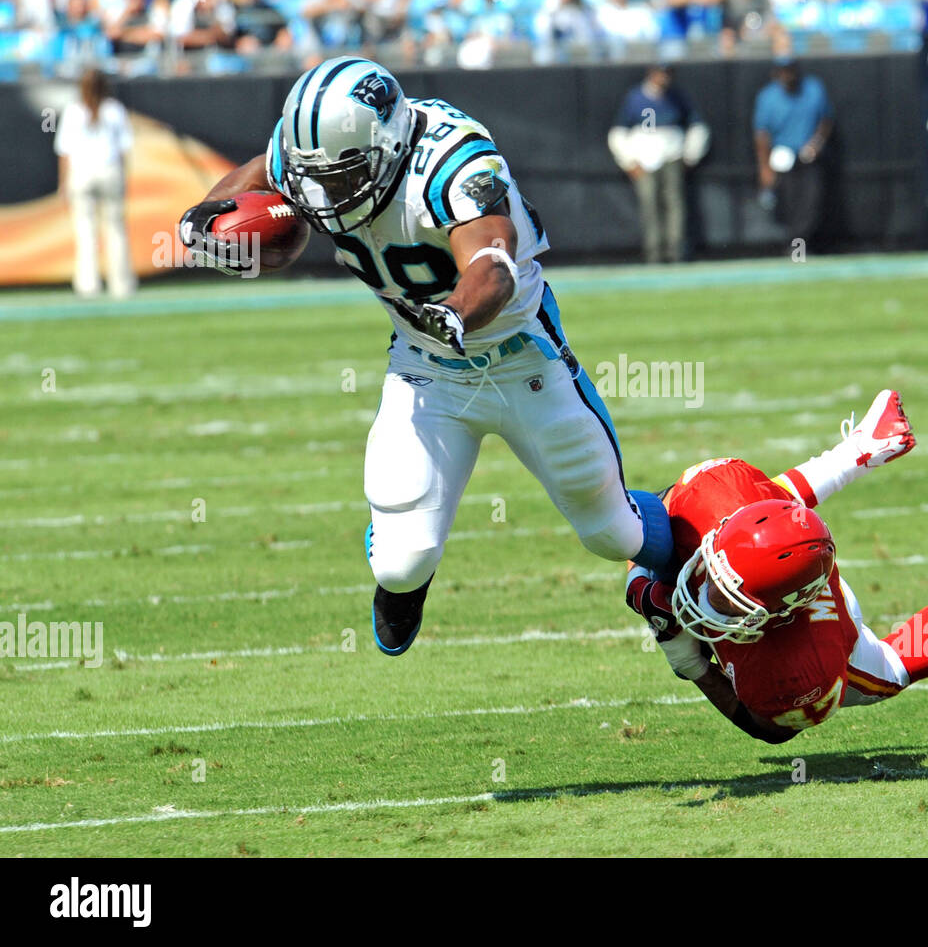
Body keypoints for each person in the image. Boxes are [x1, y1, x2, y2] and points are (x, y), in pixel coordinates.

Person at [177, 58, 674, 657]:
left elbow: (493, 268)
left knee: (611, 532)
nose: (319, 194)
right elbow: (270, 169)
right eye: (316, 175)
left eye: (340, 176)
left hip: (522, 360)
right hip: (425, 367)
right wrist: (206, 212)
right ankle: (404, 566)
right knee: (400, 564)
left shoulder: (454, 164)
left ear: (385, 148)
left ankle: (696, 529)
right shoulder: (325, 154)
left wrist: (454, 316)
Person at [624, 389, 928, 741]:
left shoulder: (798, 664)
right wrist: (644, 574)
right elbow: (643, 528)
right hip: (768, 543)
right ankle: (864, 448)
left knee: (890, 671)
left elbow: (771, 732)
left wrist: (691, 664)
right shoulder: (718, 491)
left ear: (774, 612)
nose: (705, 593)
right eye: (714, 575)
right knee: (746, 508)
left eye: (727, 597)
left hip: (820, 639)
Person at [607, 64, 711, 263]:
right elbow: (618, 132)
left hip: (671, 157)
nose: (664, 78)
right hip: (644, 160)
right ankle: (654, 252)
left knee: (675, 204)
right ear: (651, 73)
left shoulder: (677, 97)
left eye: (668, 73)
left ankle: (677, 251)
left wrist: (691, 155)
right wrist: (628, 161)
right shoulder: (636, 98)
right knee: (649, 204)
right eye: (661, 73)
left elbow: (697, 125)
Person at [54, 68, 136, 299]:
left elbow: (64, 151)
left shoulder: (73, 111)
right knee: (116, 230)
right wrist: (125, 177)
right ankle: (121, 286)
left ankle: (88, 286)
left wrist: (63, 183)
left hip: (81, 174)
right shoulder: (115, 110)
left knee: (85, 231)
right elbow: (124, 149)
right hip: (109, 171)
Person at [753, 56, 833, 247]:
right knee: (789, 205)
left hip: (808, 157)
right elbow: (762, 134)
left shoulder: (813, 89)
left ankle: (801, 247)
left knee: (810, 203)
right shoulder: (768, 97)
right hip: (782, 158)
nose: (787, 75)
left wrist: (817, 143)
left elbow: (826, 120)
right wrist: (764, 167)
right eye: (783, 71)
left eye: (790, 70)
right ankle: (796, 248)